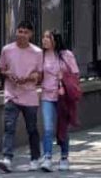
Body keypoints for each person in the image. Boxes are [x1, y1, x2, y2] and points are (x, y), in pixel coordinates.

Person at [0, 20, 43, 173]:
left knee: (32, 129)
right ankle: (7, 159)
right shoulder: (7, 50)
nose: (22, 35)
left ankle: (35, 158)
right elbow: (1, 69)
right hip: (12, 95)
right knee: (9, 127)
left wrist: (29, 78)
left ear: (31, 34)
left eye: (25, 32)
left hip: (29, 96)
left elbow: (40, 74)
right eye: (19, 31)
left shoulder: (37, 52)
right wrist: (7, 74)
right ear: (16, 32)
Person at [40, 30, 79, 172]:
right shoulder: (41, 55)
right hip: (47, 96)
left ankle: (64, 157)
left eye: (47, 37)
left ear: (55, 40)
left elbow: (75, 74)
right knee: (48, 128)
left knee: (63, 128)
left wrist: (64, 76)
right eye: (43, 37)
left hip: (62, 97)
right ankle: (47, 158)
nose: (44, 40)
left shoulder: (66, 55)